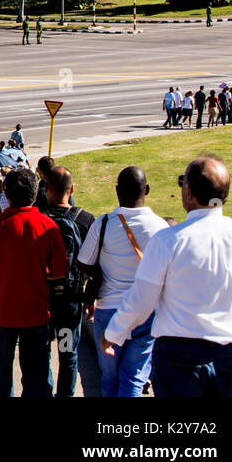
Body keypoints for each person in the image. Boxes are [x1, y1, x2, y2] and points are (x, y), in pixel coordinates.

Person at [100, 155, 232, 398]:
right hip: (228, 357)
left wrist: (113, 333)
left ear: (189, 193)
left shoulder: (168, 240)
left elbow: (141, 300)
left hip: (176, 357)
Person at [0, 167, 67, 397]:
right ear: (36, 193)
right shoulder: (48, 226)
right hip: (36, 313)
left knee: (2, 374)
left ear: (7, 194)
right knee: (36, 375)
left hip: (2, 313)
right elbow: (59, 270)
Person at [76, 166, 168, 397]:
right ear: (146, 189)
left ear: (117, 191)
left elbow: (83, 264)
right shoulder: (161, 227)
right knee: (135, 376)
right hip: (147, 313)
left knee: (110, 377)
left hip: (108, 310)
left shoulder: (104, 224)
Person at [42, 166, 95, 397]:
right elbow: (93, 266)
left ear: (46, 190)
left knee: (42, 352)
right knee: (67, 354)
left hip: (42, 300)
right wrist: (89, 298)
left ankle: (45, 390)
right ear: (71, 189)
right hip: (70, 301)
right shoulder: (85, 220)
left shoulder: (39, 219)